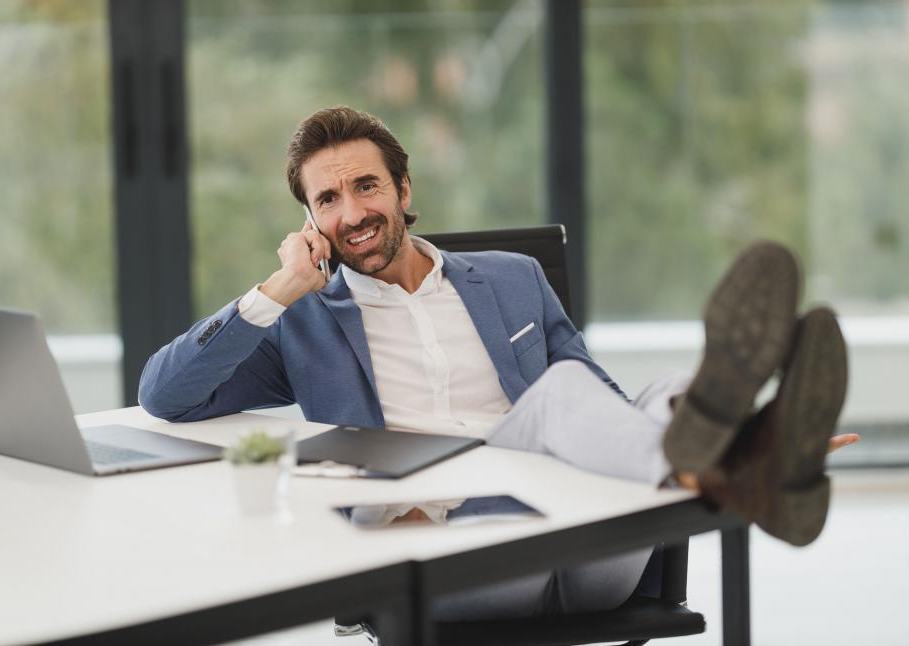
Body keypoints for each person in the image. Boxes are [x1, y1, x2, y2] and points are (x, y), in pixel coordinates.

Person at [139, 106, 857, 620]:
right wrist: (282, 287)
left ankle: (735, 452)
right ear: (309, 222)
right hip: (445, 559)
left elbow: (599, 405)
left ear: (403, 190)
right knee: (569, 394)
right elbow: (165, 395)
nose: (352, 211)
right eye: (327, 199)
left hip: (586, 538)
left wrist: (739, 433)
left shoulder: (512, 276)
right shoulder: (302, 323)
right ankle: (745, 471)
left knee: (652, 391)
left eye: (366, 186)